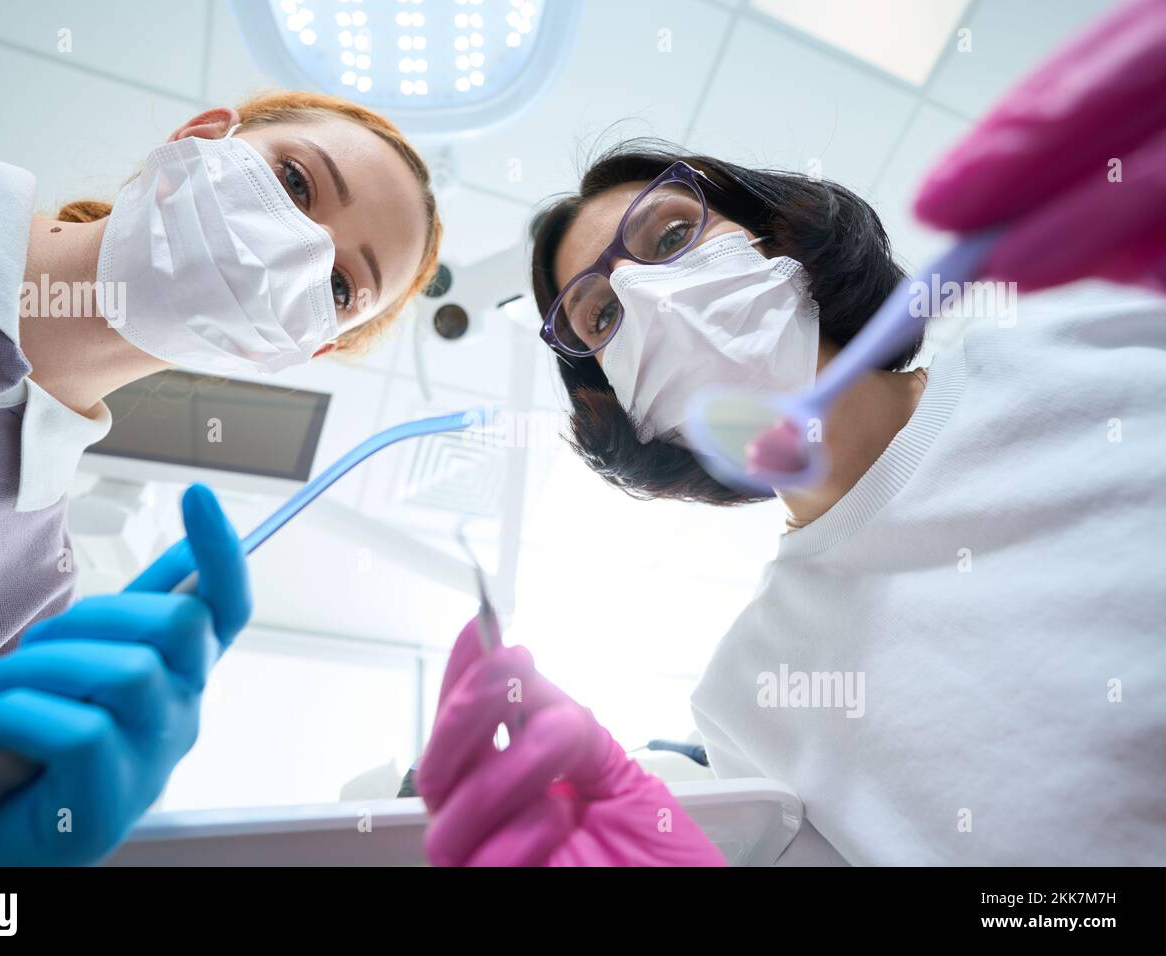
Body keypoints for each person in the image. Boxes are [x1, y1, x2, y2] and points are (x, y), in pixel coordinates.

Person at [421, 0, 1166, 863]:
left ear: (781, 239)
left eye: (671, 236)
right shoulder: (748, 703)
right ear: (624, 406)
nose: (652, 299)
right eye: (600, 316)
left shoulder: (1092, 336)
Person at [0, 46, 443, 835]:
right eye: (296, 183)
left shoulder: (20, 602)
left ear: (304, 348)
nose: (300, 251)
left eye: (339, 287)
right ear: (202, 134)